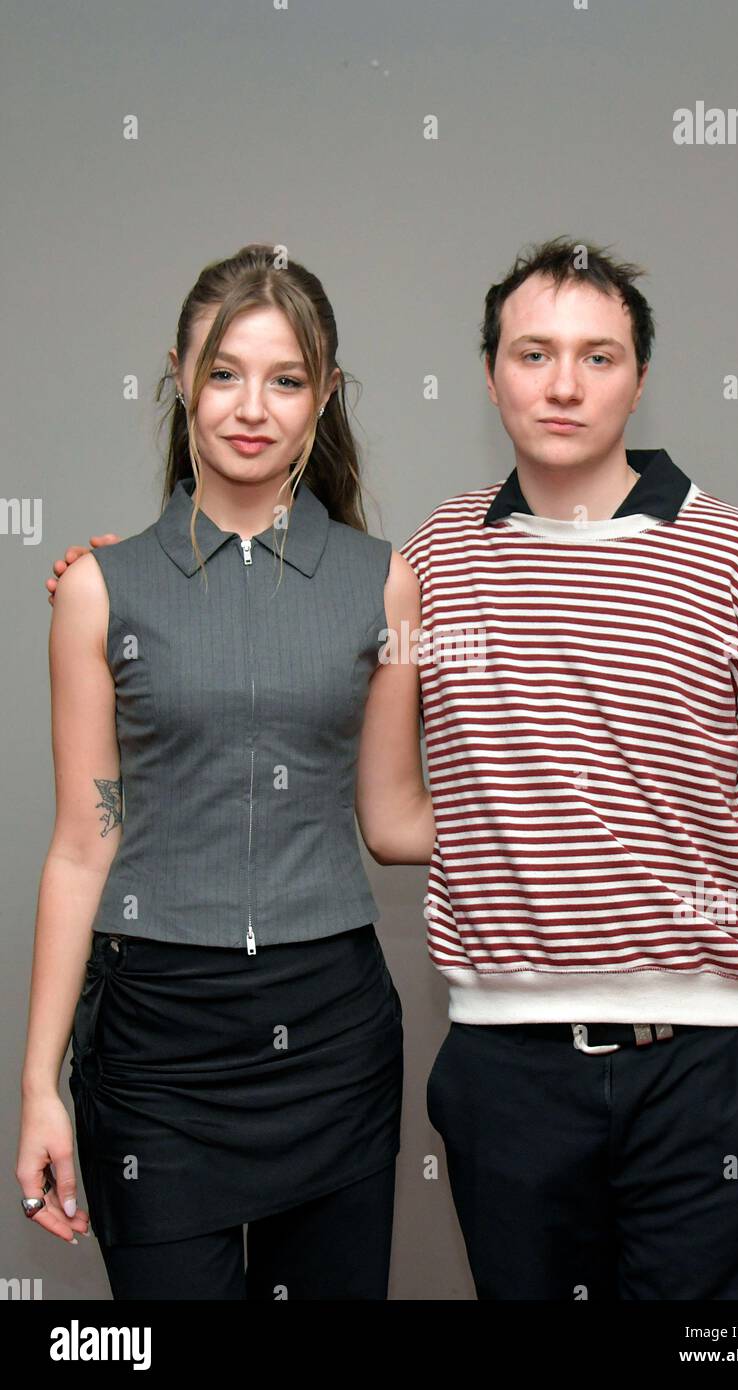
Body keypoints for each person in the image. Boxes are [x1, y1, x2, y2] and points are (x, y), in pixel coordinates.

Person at [398, 237, 738, 1300]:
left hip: (716, 1069)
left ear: (641, 379)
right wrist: (138, 577)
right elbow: (301, 678)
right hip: (505, 1072)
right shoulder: (436, 557)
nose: (563, 384)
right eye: (533, 353)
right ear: (490, 371)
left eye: (598, 357)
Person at [18, 243, 434, 1301]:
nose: (253, 407)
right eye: (223, 373)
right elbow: (81, 841)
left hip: (332, 1038)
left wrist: (590, 806)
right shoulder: (98, 590)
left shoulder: (384, 583)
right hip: (156, 1045)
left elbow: (392, 819)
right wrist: (37, 1084)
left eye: (287, 379)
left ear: (325, 395)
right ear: (180, 379)